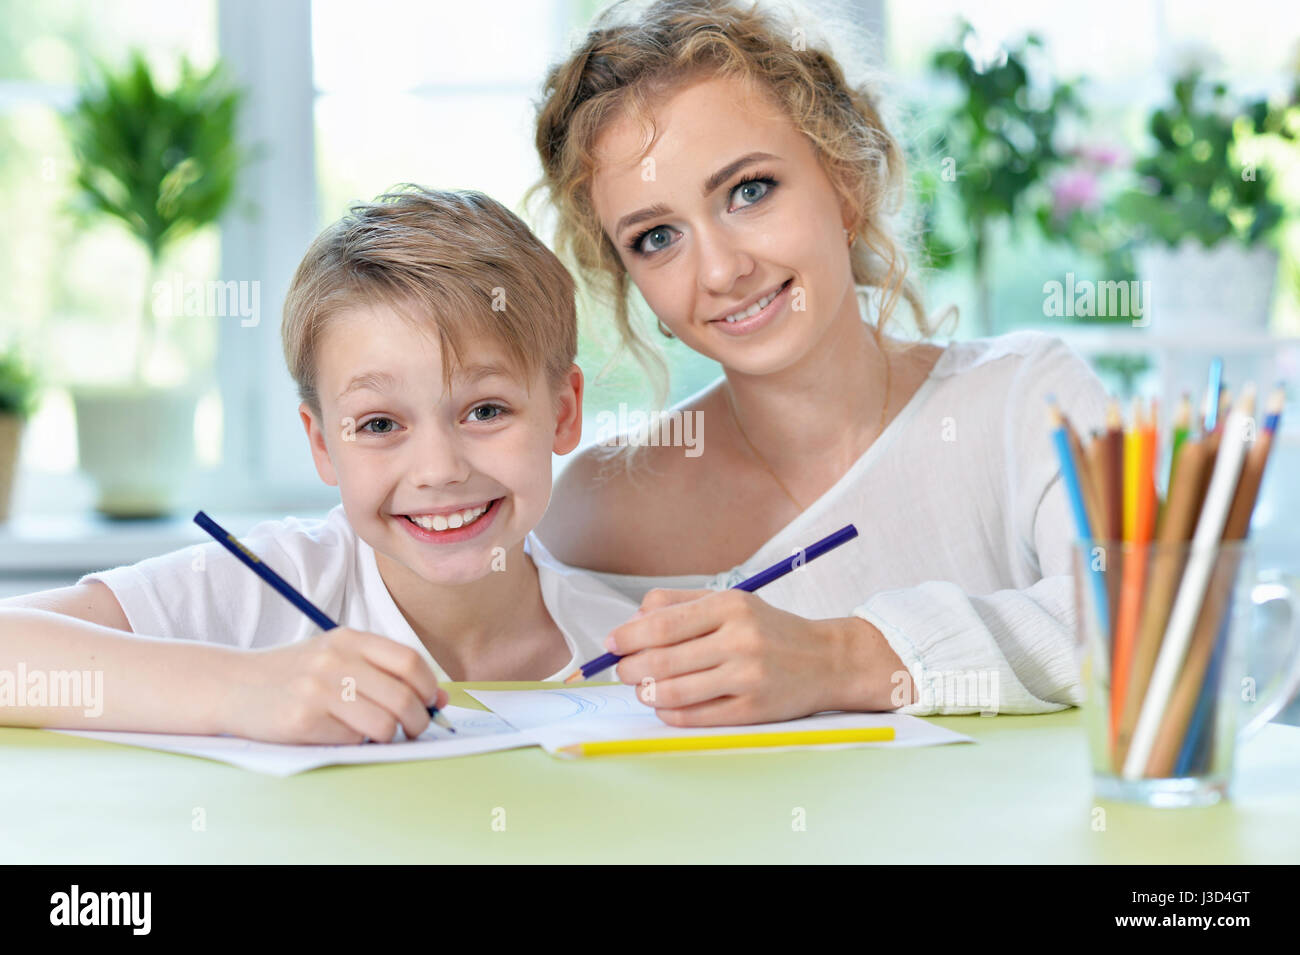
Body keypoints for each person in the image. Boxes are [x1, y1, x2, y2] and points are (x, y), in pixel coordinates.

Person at [528, 0, 1111, 724]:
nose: (720, 270)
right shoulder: (597, 507)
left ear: (845, 181)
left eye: (749, 191)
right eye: (655, 237)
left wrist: (841, 659)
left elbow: (1153, 620)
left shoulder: (1029, 401)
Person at [0, 186, 636, 743]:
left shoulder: (623, 645)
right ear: (323, 444)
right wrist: (239, 689)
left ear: (562, 411)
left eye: (486, 411)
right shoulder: (271, 585)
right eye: (381, 424)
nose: (439, 470)